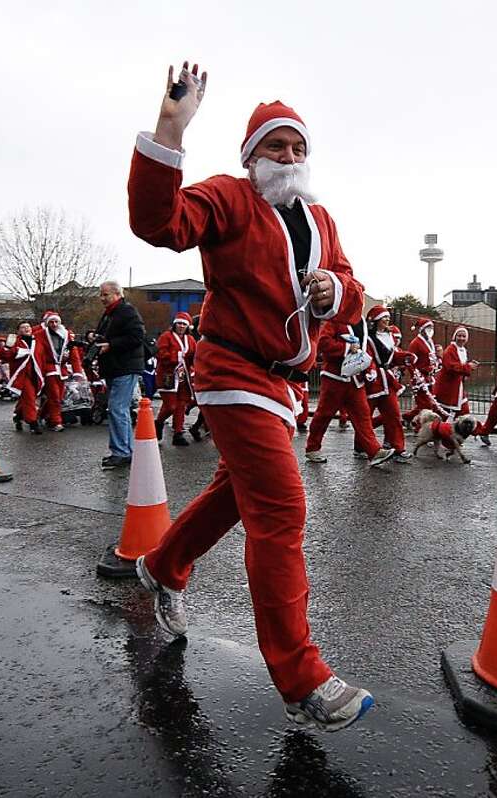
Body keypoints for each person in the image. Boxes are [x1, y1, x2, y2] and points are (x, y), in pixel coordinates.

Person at [127, 63, 374, 731]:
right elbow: (161, 223)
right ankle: (300, 677)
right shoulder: (231, 198)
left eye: (297, 147)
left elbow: (353, 288)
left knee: (237, 494)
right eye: (275, 146)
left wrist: (334, 292)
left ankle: (163, 566)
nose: (288, 158)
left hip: (285, 384)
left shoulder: (320, 217)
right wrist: (169, 132)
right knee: (283, 505)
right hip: (234, 373)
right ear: (250, 155)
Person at [304, 319, 396, 465]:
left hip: (356, 379)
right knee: (324, 414)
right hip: (334, 378)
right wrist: (346, 347)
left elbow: (365, 350)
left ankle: (374, 451)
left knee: (363, 416)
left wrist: (370, 368)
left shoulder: (363, 323)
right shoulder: (334, 321)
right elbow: (322, 343)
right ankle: (312, 448)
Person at [92, 281, 146, 469]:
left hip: (125, 367)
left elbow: (137, 336)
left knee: (117, 408)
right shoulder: (111, 314)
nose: (101, 298)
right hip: (115, 367)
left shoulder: (126, 312)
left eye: (105, 294)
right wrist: (94, 336)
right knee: (117, 408)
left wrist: (111, 345)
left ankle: (122, 452)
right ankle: (123, 450)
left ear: (117, 294)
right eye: (101, 294)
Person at [362, 305, 414, 458]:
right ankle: (360, 446)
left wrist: (406, 357)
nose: (387, 320)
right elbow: (367, 356)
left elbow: (392, 358)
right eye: (384, 317)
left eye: (387, 318)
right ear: (376, 320)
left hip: (387, 381)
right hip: (373, 382)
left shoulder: (389, 337)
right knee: (365, 417)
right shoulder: (369, 339)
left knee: (394, 415)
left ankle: (398, 448)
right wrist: (370, 370)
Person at [154, 312, 197, 446]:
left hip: (183, 376)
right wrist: (176, 356)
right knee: (171, 405)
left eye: (184, 324)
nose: (181, 326)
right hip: (168, 375)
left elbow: (194, 356)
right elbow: (161, 353)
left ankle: (178, 433)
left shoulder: (190, 340)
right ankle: (159, 422)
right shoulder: (166, 337)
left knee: (181, 404)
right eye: (179, 323)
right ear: (174, 324)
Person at [33, 311, 78, 431]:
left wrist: (77, 370)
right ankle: (56, 421)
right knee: (54, 396)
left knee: (59, 396)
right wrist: (39, 370)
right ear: (47, 323)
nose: (53, 324)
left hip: (62, 370)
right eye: (51, 322)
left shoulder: (65, 334)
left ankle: (40, 416)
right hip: (49, 369)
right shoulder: (40, 334)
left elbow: (73, 353)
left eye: (56, 321)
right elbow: (38, 353)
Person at [402, 318, 444, 424]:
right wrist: (416, 376)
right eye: (428, 328)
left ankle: (407, 417)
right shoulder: (415, 343)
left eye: (431, 328)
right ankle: (420, 426)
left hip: (429, 377)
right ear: (422, 329)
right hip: (420, 378)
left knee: (427, 403)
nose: (430, 330)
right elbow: (409, 361)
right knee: (425, 405)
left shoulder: (430, 341)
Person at [3, 321, 43, 434]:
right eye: (23, 327)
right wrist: (11, 348)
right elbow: (6, 355)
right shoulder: (16, 341)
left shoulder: (38, 341)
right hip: (22, 374)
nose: (26, 328)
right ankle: (33, 423)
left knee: (28, 398)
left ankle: (18, 414)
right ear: (18, 331)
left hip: (36, 373)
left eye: (28, 326)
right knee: (29, 397)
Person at [433, 326, 478, 418]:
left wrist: (467, 369)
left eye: (464, 336)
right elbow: (451, 367)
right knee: (442, 412)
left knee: (464, 411)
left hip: (457, 387)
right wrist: (468, 367)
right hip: (447, 387)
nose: (461, 338)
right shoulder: (450, 350)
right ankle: (435, 429)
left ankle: (462, 430)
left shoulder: (463, 350)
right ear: (455, 337)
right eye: (459, 336)